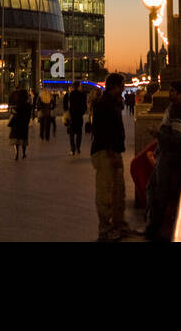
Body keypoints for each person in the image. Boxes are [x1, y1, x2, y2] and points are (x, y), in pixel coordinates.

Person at [144, 81, 181, 241]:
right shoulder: (174, 108)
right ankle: (152, 226)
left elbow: (176, 139)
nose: (169, 93)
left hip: (169, 158)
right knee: (154, 189)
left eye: (173, 91)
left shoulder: (179, 111)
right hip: (164, 155)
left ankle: (154, 229)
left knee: (159, 194)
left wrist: (157, 134)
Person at [89, 72, 129, 241]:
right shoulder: (104, 104)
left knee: (118, 191)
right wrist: (111, 152)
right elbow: (103, 130)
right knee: (106, 193)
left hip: (114, 151)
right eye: (122, 85)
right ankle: (105, 229)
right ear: (115, 86)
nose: (124, 88)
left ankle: (118, 224)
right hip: (105, 152)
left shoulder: (112, 102)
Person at [8, 83, 32, 160]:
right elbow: (29, 115)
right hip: (24, 124)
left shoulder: (17, 104)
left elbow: (13, 113)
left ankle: (16, 154)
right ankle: (24, 153)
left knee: (16, 140)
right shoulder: (28, 105)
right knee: (24, 139)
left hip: (16, 124)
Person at [63, 81, 88, 155]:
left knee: (71, 133)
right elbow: (85, 106)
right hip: (79, 116)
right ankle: (78, 148)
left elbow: (65, 105)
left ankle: (72, 149)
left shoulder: (69, 94)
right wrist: (82, 112)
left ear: (73, 86)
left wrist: (67, 112)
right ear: (79, 86)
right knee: (79, 132)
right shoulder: (83, 95)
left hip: (71, 115)